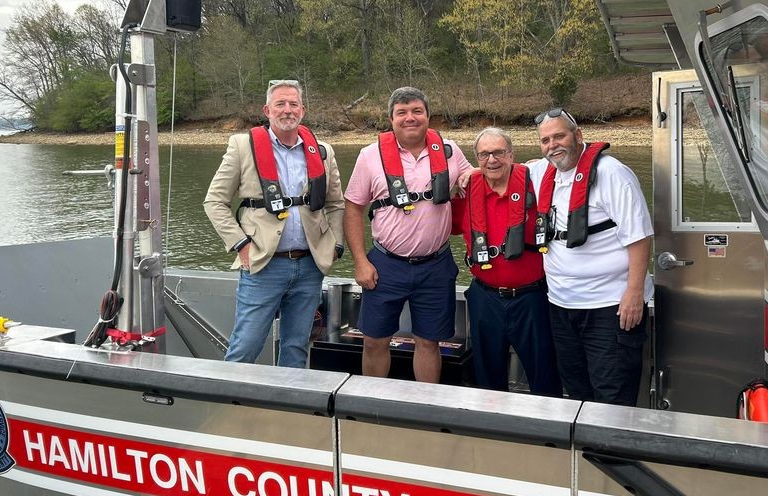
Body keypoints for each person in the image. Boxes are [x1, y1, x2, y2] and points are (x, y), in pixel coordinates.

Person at [204, 79, 344, 367]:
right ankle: (231, 397)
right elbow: (214, 202)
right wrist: (241, 246)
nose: (287, 110)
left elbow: (335, 204)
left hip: (309, 266)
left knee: (296, 348)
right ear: (267, 110)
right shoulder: (242, 146)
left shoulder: (323, 151)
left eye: (293, 104)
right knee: (246, 347)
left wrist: (336, 246)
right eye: (280, 104)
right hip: (263, 265)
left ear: (302, 110)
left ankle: (287, 397)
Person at [343, 86, 473, 383]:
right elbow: (353, 209)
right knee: (374, 340)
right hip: (385, 264)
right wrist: (360, 262)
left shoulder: (450, 150)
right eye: (402, 112)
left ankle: (424, 403)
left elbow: (471, 175)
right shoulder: (369, 156)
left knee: (429, 341)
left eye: (417, 111)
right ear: (391, 119)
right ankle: (374, 400)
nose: (410, 118)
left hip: (436, 265)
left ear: (428, 116)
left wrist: (521, 168)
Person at [529, 108, 654, 405]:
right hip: (561, 305)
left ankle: (613, 439)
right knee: (577, 391)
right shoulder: (541, 171)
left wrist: (634, 293)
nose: (552, 145)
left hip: (609, 307)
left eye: (559, 136)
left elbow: (639, 237)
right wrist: (469, 174)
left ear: (578, 135)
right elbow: (500, 167)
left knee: (612, 394)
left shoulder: (613, 174)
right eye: (545, 140)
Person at [454, 127, 562, 396]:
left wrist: (538, 164)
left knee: (544, 375)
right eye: (484, 154)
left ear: (512, 155)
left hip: (532, 299)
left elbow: (567, 164)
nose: (492, 160)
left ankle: (547, 422)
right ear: (477, 159)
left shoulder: (537, 184)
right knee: (487, 380)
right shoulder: (466, 192)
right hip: (484, 299)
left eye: (499, 153)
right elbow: (431, 221)